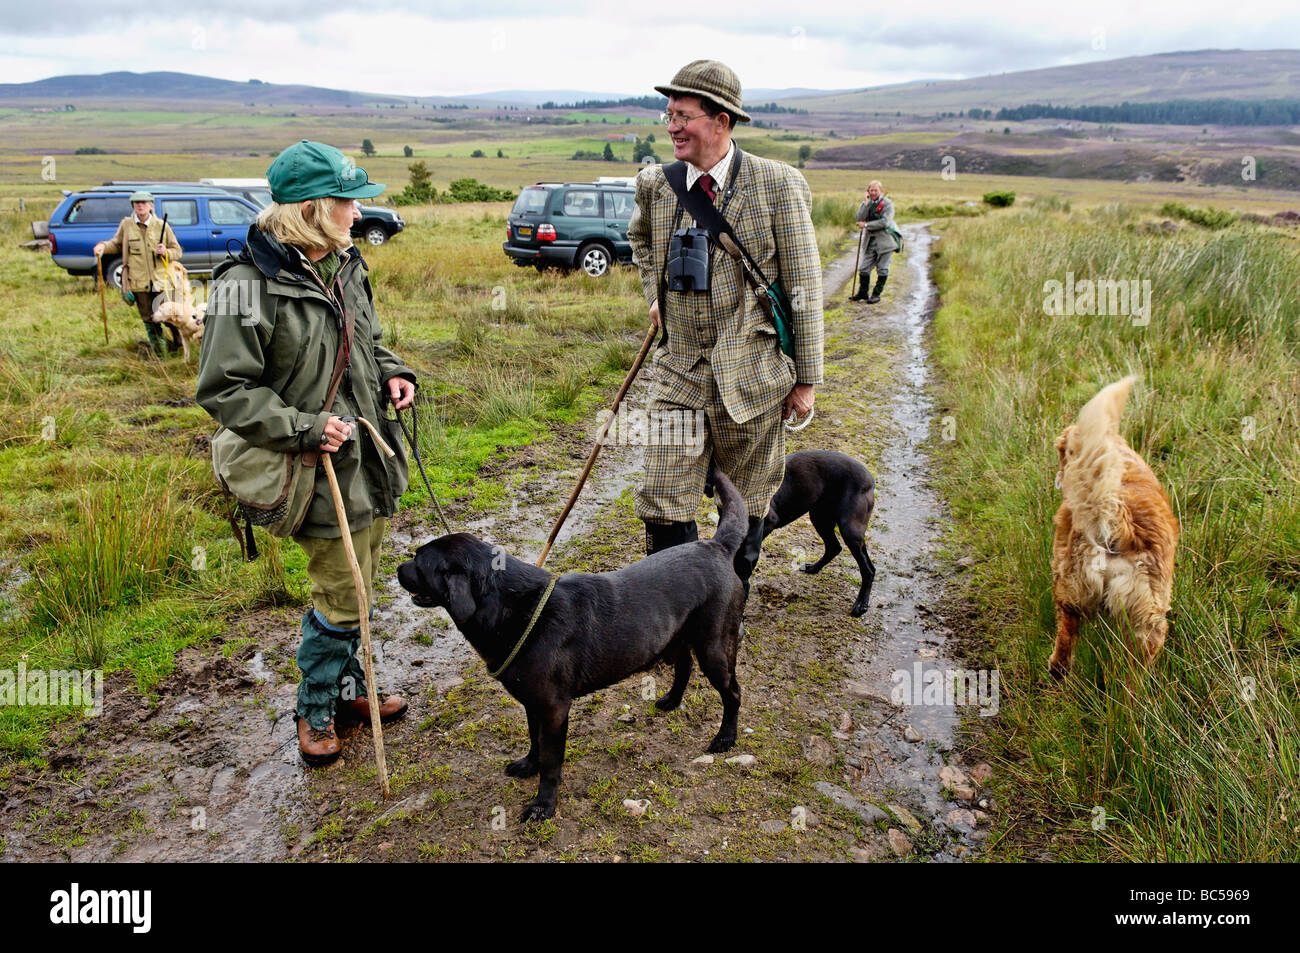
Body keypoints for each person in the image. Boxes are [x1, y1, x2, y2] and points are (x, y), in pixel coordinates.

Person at [196, 140, 417, 766]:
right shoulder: (242, 286)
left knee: (362, 585)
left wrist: (397, 374)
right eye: (347, 201)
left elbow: (368, 344)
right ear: (314, 208)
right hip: (308, 465)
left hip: (366, 457)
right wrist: (303, 427)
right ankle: (314, 706)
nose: (358, 212)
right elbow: (223, 390)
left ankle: (349, 691)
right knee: (343, 594)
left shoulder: (346, 266)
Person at [628, 59, 824, 594]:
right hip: (680, 369)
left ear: (721, 121)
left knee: (746, 502)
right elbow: (640, 242)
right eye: (668, 114)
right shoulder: (655, 184)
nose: (671, 126)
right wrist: (655, 296)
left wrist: (805, 378)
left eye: (683, 116)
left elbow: (805, 285)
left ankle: (724, 605)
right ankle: (676, 609)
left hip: (754, 372)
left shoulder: (778, 185)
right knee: (663, 496)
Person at [94, 191, 184, 356]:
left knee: (172, 317)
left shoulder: (161, 225)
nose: (140, 206)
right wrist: (103, 247)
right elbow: (116, 244)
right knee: (149, 320)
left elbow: (177, 251)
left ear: (151, 206)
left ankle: (179, 343)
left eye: (143, 203)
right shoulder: (126, 225)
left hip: (162, 281)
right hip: (138, 282)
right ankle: (160, 355)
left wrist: (166, 252)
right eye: (136, 203)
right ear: (133, 206)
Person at [851, 180, 900, 304]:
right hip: (869, 242)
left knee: (882, 269)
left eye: (875, 190)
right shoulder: (866, 203)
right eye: (871, 190)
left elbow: (885, 222)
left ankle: (876, 294)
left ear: (881, 191)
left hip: (885, 242)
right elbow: (859, 218)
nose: (873, 193)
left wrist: (867, 225)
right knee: (863, 269)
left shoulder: (888, 204)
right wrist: (866, 204)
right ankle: (863, 293)